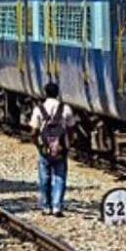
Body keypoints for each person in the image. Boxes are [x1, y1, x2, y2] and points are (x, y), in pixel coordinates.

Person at [30, 82, 76, 216]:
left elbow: (33, 132)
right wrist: (68, 143)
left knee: (44, 177)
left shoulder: (39, 109)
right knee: (60, 176)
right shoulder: (65, 108)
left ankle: (46, 206)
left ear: (45, 93)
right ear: (57, 93)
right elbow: (71, 128)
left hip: (44, 148)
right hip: (61, 148)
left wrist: (37, 145)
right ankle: (57, 206)